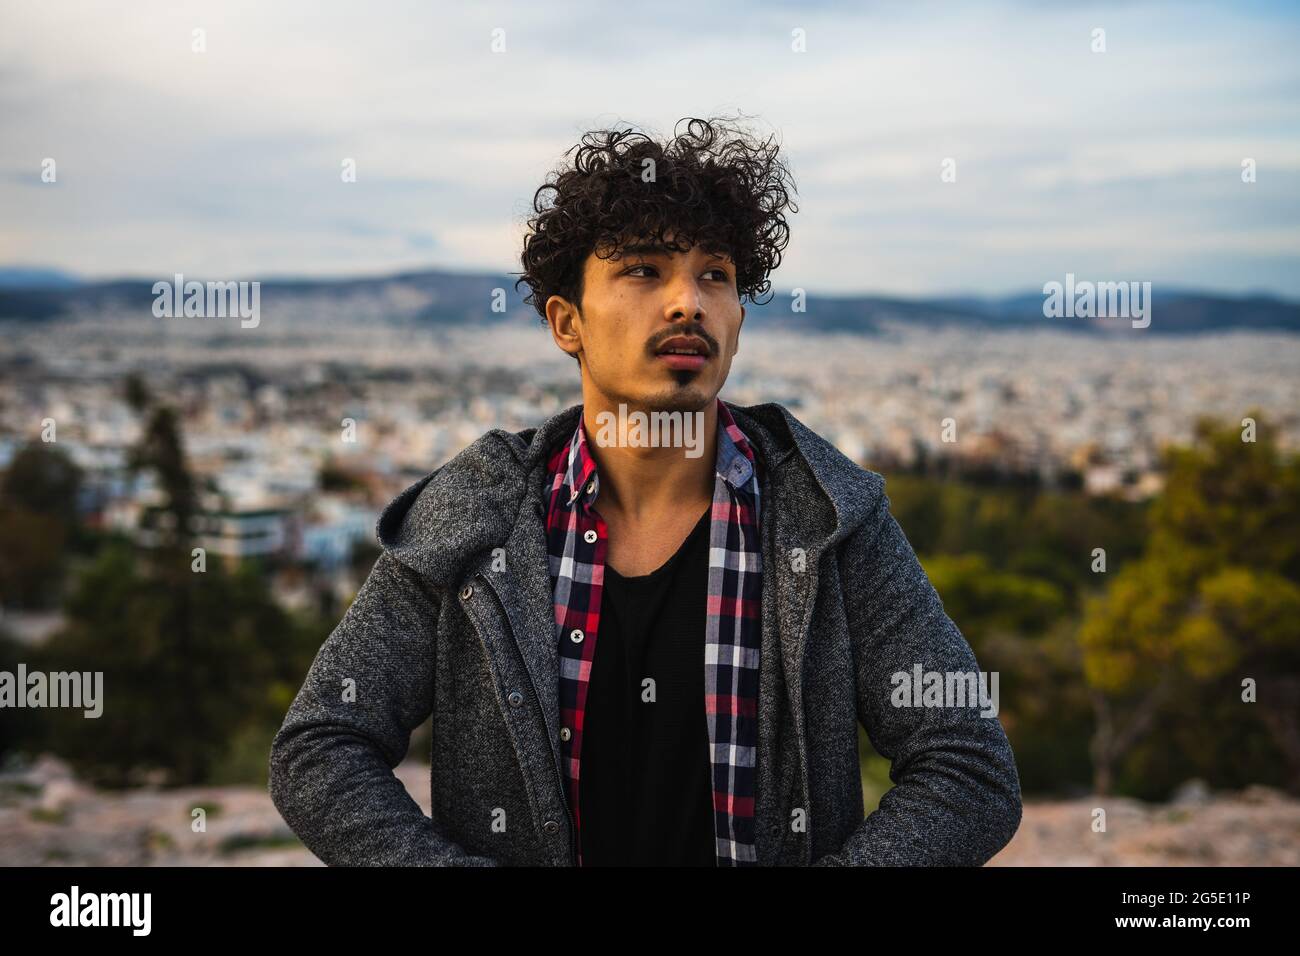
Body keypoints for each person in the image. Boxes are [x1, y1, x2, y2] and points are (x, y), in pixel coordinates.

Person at [269, 115, 1022, 866]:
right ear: (568, 323)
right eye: (642, 270)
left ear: (737, 315)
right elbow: (322, 746)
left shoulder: (828, 516)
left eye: (714, 275)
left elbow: (968, 768)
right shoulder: (476, 514)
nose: (686, 302)